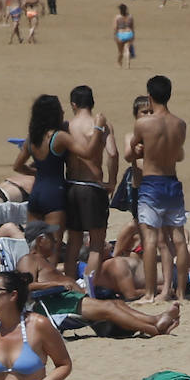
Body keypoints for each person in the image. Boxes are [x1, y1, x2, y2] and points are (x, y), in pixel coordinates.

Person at [18, 221, 182, 336]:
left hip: (66, 299)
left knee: (116, 303)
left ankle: (155, 320)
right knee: (109, 309)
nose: (56, 241)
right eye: (51, 237)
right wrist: (58, 283)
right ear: (40, 240)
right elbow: (24, 287)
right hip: (57, 304)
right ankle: (154, 329)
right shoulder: (28, 259)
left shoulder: (41, 260)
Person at [126, 76, 190, 303]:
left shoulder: (143, 123)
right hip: (172, 181)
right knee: (179, 239)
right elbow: (177, 153)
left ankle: (151, 293)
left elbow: (131, 151)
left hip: (152, 183)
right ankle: (181, 293)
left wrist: (139, 149)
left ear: (150, 97)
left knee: (150, 239)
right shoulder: (180, 124)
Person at [13, 96, 105, 234]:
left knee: (34, 247)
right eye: (60, 110)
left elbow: (17, 167)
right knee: (52, 250)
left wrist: (38, 173)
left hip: (36, 194)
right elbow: (88, 153)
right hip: (54, 196)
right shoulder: (59, 137)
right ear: (53, 114)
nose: (63, 113)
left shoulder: (31, 139)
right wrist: (98, 127)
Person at [65, 85, 118, 280]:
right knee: (96, 244)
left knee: (73, 242)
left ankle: (69, 286)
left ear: (73, 104)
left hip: (71, 185)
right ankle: (89, 288)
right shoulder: (102, 124)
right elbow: (112, 154)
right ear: (92, 102)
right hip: (92, 187)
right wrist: (112, 181)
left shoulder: (67, 126)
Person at [113, 4, 135, 68]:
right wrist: (133, 36)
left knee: (120, 51)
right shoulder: (130, 17)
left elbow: (115, 28)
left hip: (121, 34)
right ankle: (128, 63)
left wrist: (115, 36)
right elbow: (132, 27)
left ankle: (119, 64)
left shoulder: (117, 17)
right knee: (127, 49)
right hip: (129, 33)